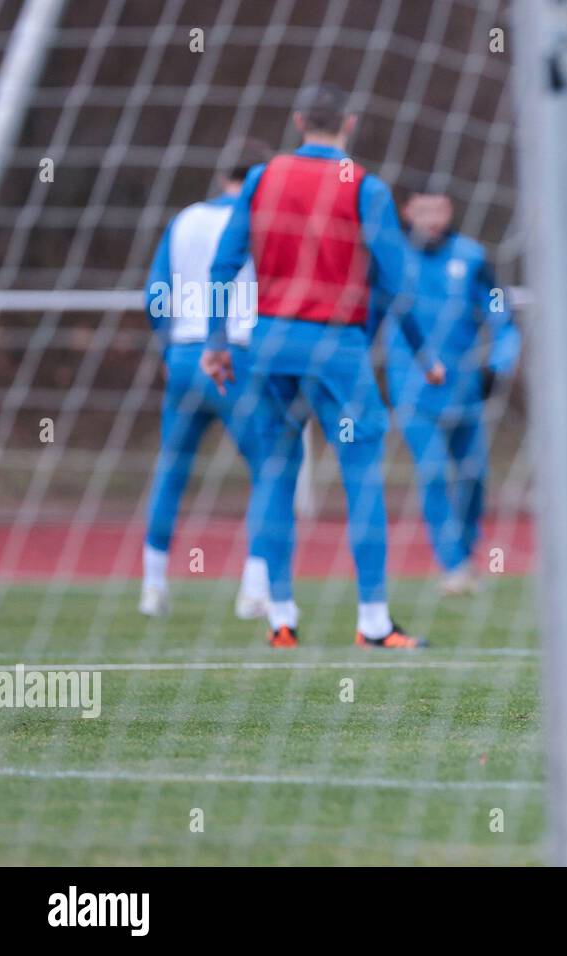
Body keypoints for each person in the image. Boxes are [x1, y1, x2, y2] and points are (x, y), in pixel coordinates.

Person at [203, 84, 438, 649]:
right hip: (336, 347)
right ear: (349, 124)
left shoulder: (262, 177)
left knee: (275, 474)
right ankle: (374, 622)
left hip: (268, 345)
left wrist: (217, 343)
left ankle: (281, 618)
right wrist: (424, 354)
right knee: (360, 475)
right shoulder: (363, 185)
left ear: (299, 119)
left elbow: (222, 265)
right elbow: (397, 280)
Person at [140, 140, 273, 620]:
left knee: (172, 469)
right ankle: (254, 589)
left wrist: (167, 343)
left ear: (223, 177)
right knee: (270, 470)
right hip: (235, 355)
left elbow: (155, 294)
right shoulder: (262, 222)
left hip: (183, 356)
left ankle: (152, 586)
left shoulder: (185, 220)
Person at [382, 189, 519, 596]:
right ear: (407, 211)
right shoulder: (389, 258)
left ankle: (465, 550)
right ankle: (453, 565)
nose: (432, 219)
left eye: (439, 208)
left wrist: (498, 362)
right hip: (412, 389)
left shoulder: (472, 257)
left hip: (464, 388)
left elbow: (502, 315)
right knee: (434, 471)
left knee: (475, 476)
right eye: (423, 210)